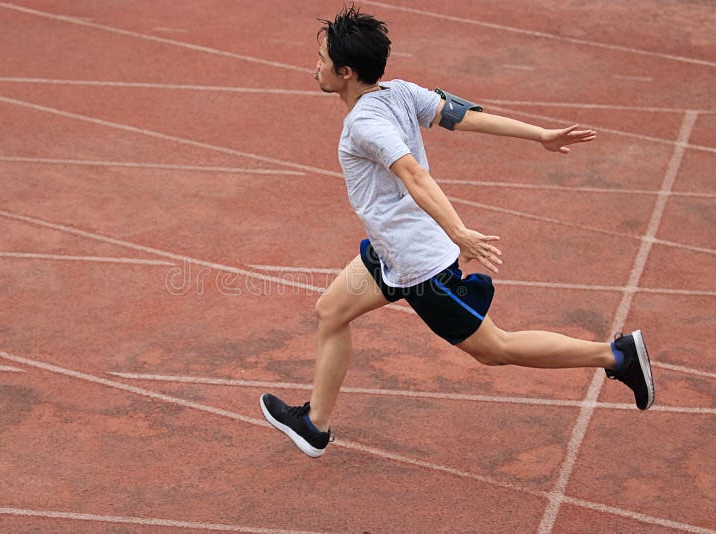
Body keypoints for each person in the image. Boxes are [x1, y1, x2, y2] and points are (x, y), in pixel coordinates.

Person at [260, 5, 654, 458]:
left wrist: (460, 232)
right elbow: (463, 117)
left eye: (322, 60)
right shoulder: (401, 91)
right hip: (392, 253)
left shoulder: (364, 125)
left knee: (494, 348)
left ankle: (617, 355)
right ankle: (315, 425)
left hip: (419, 265)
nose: (316, 66)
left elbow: (414, 175)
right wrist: (539, 134)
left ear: (346, 72)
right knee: (331, 312)